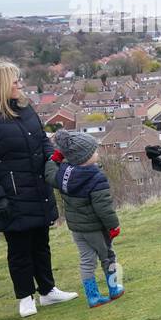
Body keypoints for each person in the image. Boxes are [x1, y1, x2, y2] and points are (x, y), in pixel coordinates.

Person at [0, 60, 77, 318]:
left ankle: (48, 291)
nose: (19, 84)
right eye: (14, 81)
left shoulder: (25, 110)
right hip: (9, 194)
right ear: (0, 84)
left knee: (41, 242)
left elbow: (41, 141)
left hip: (37, 188)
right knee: (19, 248)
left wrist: (53, 163)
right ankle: (25, 297)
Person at [45, 131, 123, 308]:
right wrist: (113, 226)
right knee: (108, 256)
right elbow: (103, 207)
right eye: (94, 151)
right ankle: (114, 288)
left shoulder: (64, 172)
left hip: (77, 229)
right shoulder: (96, 178)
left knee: (87, 260)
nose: (97, 153)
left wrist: (54, 160)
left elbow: (49, 175)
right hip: (95, 228)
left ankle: (93, 296)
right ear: (85, 157)